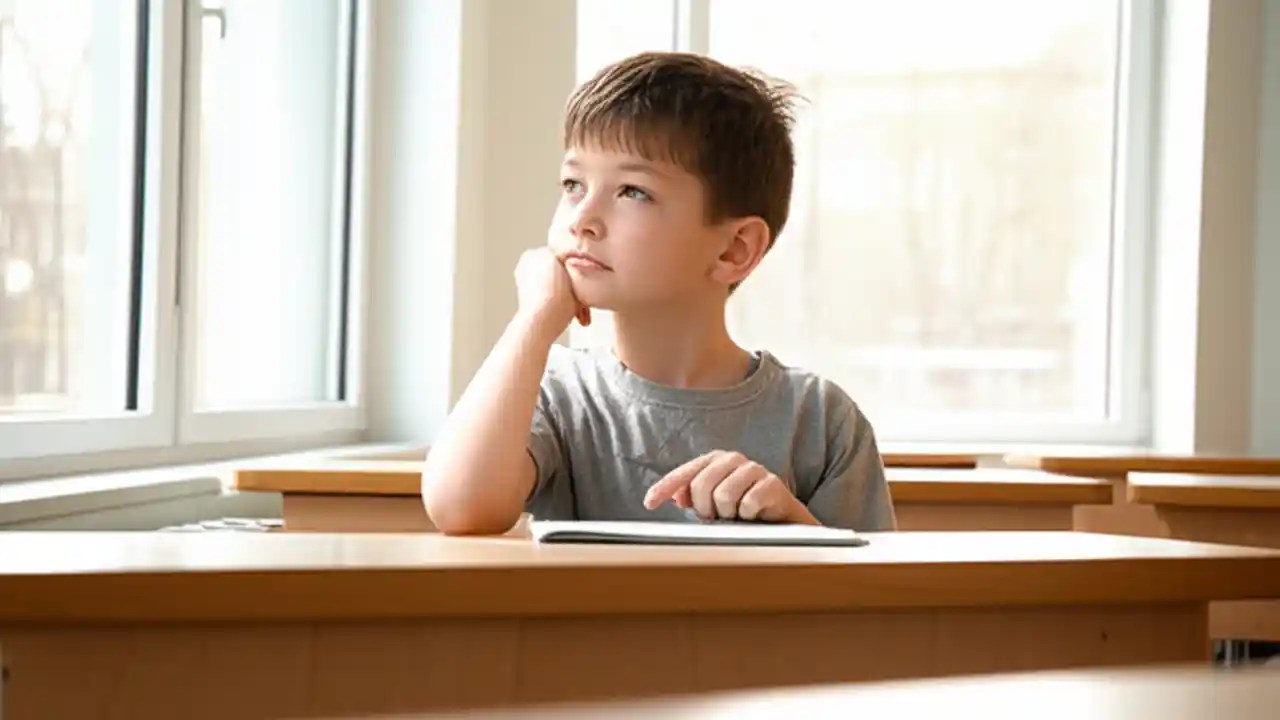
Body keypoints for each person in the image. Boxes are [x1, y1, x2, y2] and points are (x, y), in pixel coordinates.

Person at [422, 51, 895, 535]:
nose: (581, 218)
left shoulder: (820, 420)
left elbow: (873, 600)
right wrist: (534, 319)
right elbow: (462, 508)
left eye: (633, 191)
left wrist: (794, 524)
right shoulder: (555, 394)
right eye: (572, 183)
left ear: (734, 249)